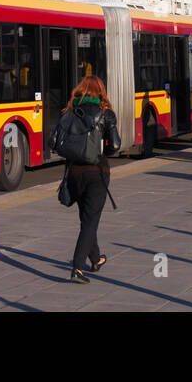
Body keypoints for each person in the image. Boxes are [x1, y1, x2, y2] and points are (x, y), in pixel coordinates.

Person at [56, 76, 122, 284]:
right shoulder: (106, 113)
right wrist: (103, 150)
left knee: (86, 219)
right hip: (97, 173)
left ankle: (96, 259)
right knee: (91, 221)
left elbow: (54, 140)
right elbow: (116, 145)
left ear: (81, 90)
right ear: (100, 91)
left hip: (74, 172)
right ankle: (77, 268)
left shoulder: (69, 112)